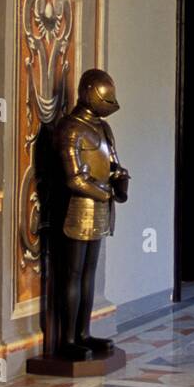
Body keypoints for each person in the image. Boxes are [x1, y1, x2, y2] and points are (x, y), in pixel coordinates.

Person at [55, 70, 129, 360]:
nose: (109, 104)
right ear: (89, 93)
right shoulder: (70, 129)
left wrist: (119, 178)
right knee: (72, 274)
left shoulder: (103, 129)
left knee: (88, 274)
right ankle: (67, 339)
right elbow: (74, 178)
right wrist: (106, 192)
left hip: (99, 208)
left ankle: (83, 333)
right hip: (78, 208)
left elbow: (111, 163)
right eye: (105, 97)